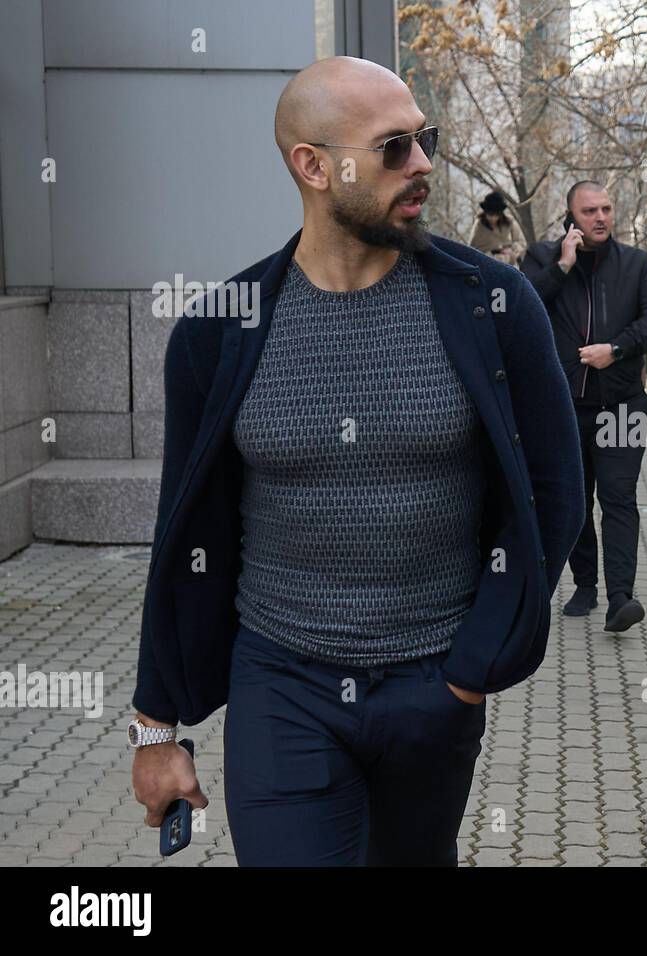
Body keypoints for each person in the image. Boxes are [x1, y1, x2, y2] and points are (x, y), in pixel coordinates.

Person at [128, 56, 585, 866]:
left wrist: (473, 668)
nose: (424, 166)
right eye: (395, 148)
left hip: (433, 686)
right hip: (280, 689)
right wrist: (156, 726)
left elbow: (553, 491)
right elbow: (182, 532)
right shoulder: (219, 334)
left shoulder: (493, 306)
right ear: (313, 166)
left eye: (426, 140)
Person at [521, 182, 647, 632]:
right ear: (570, 217)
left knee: (619, 498)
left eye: (606, 208)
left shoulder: (636, 264)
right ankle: (585, 585)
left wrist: (618, 349)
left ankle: (620, 597)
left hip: (622, 405)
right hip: (563, 409)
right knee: (576, 502)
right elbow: (518, 310)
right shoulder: (541, 259)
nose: (600, 217)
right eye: (589, 211)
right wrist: (562, 267)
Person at [469, 190, 525, 266]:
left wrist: (514, 250)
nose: (492, 218)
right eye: (490, 215)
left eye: (495, 215)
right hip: (487, 262)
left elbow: (521, 242)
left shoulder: (510, 222)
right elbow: (472, 249)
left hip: (509, 262)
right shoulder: (479, 225)